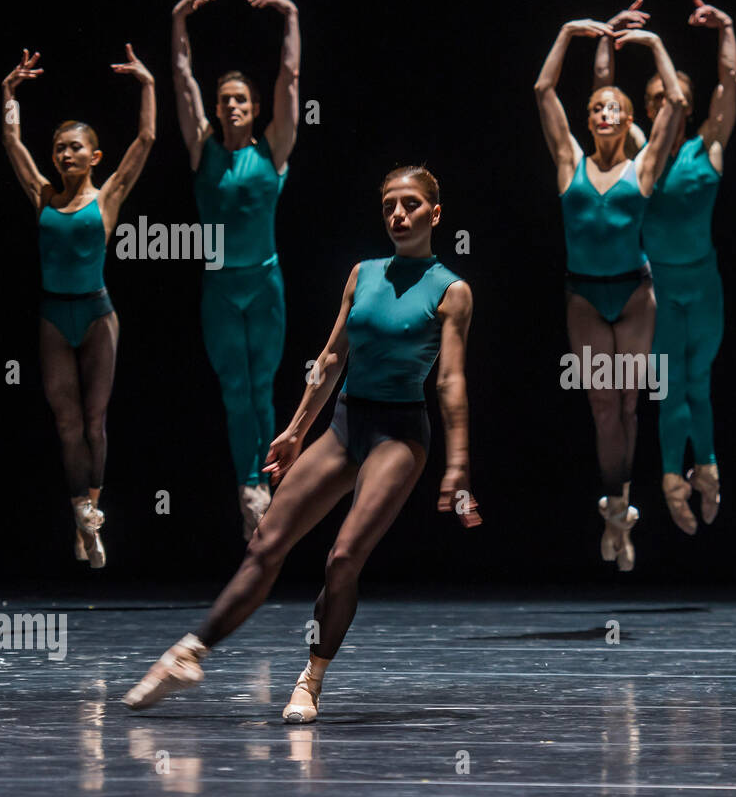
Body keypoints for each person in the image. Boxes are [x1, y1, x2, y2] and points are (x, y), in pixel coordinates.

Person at [123, 165, 481, 723]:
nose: (398, 214)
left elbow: (451, 381)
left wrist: (456, 464)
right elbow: (332, 357)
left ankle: (311, 679)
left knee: (342, 559)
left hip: (400, 435)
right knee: (266, 544)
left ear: (435, 214)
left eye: (411, 204)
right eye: (389, 204)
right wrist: (295, 430)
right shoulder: (362, 273)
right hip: (345, 424)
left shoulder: (451, 291)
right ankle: (189, 654)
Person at [534, 14, 686, 569]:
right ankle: (616, 510)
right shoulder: (568, 161)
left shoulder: (643, 168)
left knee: (629, 402)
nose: (603, 113)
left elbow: (673, 102)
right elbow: (542, 89)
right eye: (597, 107)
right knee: (603, 408)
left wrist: (653, 41)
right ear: (589, 117)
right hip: (584, 295)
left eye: (614, 109)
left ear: (626, 121)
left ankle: (620, 511)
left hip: (634, 292)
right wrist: (569, 33)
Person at [1, 45, 156, 567]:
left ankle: (95, 511)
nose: (64, 155)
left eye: (74, 148)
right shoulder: (43, 196)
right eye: (58, 148)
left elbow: (147, 139)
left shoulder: (106, 197)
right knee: (66, 425)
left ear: (93, 156)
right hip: (53, 316)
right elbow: (10, 141)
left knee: (95, 422)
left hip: (96, 314)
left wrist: (147, 85)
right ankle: (80, 518)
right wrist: (8, 96)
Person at [593, 0, 736, 533]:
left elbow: (730, 86)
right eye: (650, 98)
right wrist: (607, 41)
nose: (658, 105)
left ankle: (708, 470)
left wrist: (725, 28)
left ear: (683, 103)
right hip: (658, 287)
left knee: (698, 380)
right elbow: (601, 94)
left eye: (665, 96)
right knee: (671, 386)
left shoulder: (709, 146)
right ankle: (674, 481)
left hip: (704, 287)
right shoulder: (638, 152)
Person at [172, 0, 301, 537]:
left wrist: (291, 18)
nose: (230, 105)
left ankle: (262, 487)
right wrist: (177, 22)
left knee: (262, 387)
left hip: (265, 280)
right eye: (224, 99)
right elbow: (181, 81)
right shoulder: (203, 150)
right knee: (234, 391)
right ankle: (246, 486)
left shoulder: (273, 149)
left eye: (240, 99)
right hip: (220, 286)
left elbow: (290, 80)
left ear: (252, 108)